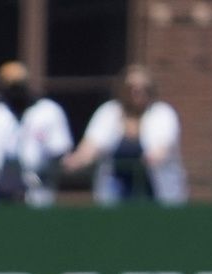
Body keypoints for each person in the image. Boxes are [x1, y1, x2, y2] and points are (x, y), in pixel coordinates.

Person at [62, 66, 184, 204]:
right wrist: (76, 160)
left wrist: (151, 158)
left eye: (143, 88)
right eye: (131, 87)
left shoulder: (163, 113)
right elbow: (91, 146)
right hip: (114, 192)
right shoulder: (108, 112)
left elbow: (162, 148)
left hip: (156, 194)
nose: (137, 92)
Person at [0, 62, 72, 207]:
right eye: (10, 86)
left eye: (18, 85)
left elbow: (59, 153)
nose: (15, 91)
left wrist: (40, 176)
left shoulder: (48, 110)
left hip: (36, 195)